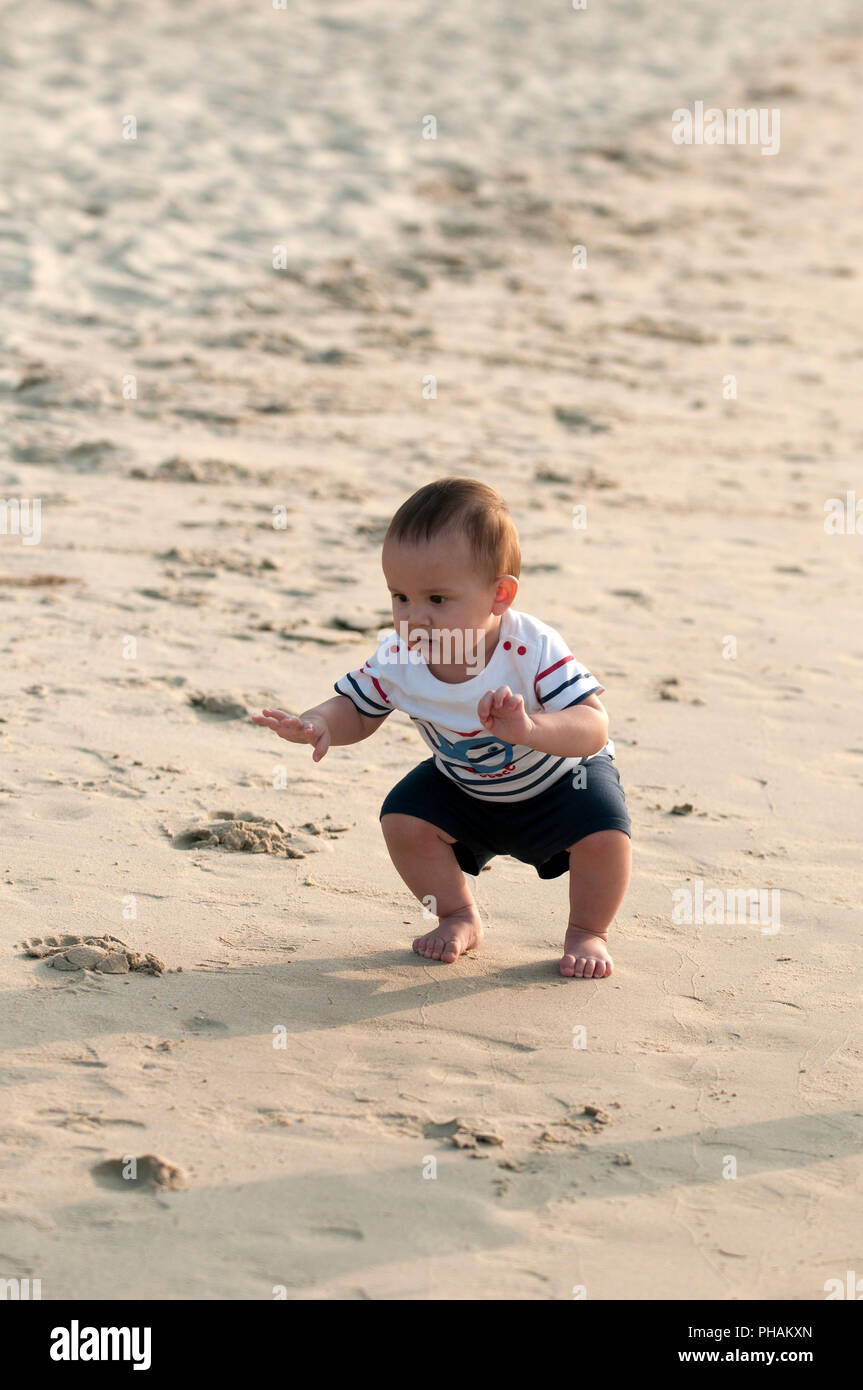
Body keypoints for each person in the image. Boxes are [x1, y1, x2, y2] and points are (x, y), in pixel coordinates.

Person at [253, 478, 631, 977]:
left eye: (436, 599)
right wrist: (320, 723)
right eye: (400, 597)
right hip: (463, 784)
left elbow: (593, 727)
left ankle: (588, 931)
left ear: (500, 594)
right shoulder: (400, 656)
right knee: (403, 820)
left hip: (561, 781)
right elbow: (359, 709)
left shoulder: (532, 647)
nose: (414, 618)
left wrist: (530, 729)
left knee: (605, 834)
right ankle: (457, 914)